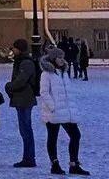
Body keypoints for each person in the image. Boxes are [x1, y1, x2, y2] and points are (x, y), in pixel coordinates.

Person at [40, 47, 90, 175]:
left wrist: (70, 106)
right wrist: (53, 107)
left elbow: (67, 93)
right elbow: (44, 93)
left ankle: (74, 164)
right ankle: (54, 164)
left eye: (63, 57)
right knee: (53, 137)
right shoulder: (46, 74)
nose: (62, 60)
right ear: (53, 59)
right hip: (53, 112)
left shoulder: (64, 73)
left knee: (75, 135)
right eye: (59, 57)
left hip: (66, 111)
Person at [4, 38, 37, 168]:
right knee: (24, 129)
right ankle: (27, 157)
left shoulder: (25, 62)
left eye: (14, 48)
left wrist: (9, 86)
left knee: (26, 129)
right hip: (21, 97)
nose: (13, 50)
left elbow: (21, 80)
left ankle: (29, 158)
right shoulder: (21, 61)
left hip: (24, 98)